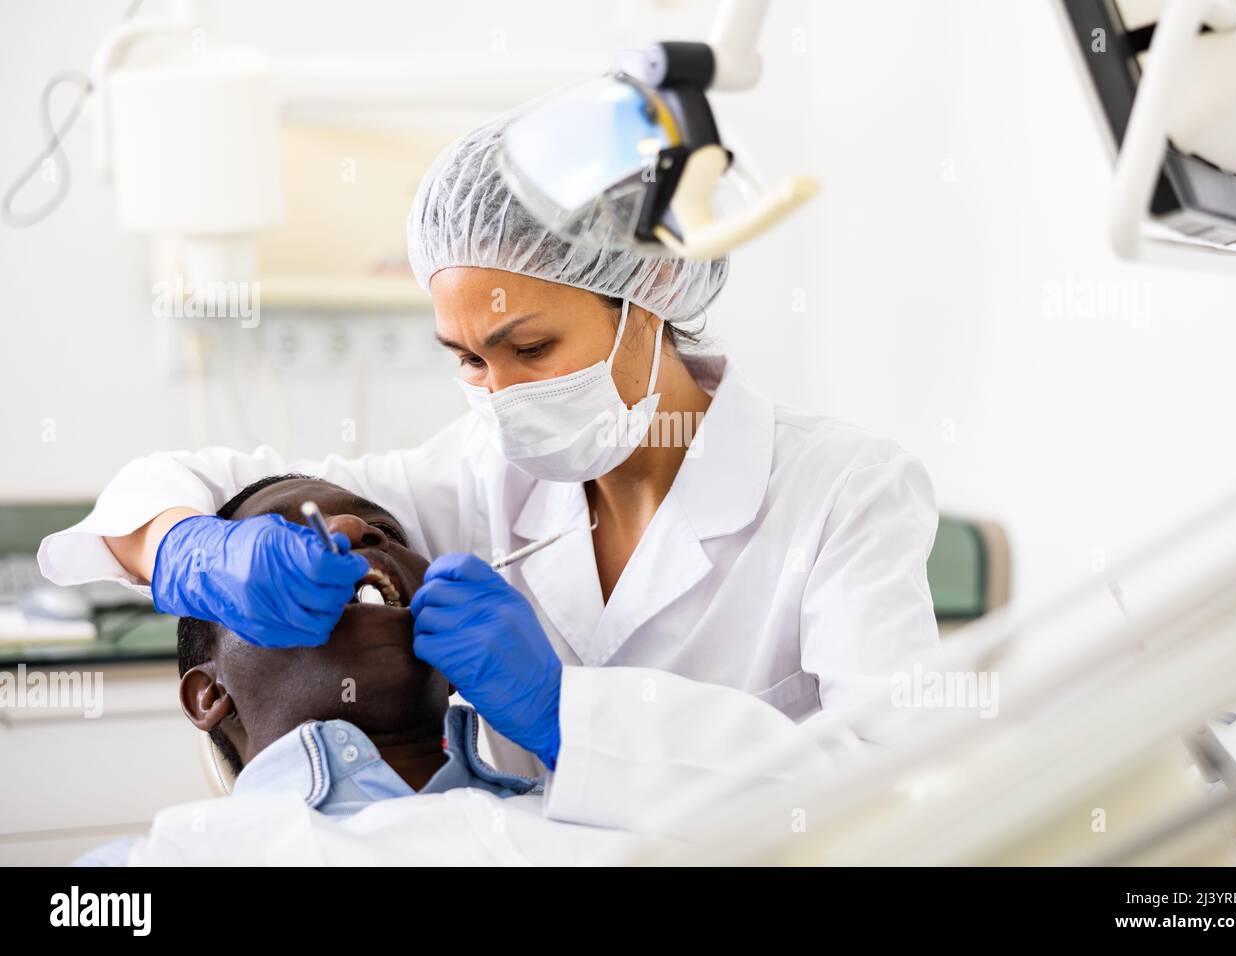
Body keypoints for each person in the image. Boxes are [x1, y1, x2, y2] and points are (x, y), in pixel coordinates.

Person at [40, 110, 941, 776]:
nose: (500, 397)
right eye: (468, 359)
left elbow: (906, 794)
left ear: (654, 287)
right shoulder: (482, 474)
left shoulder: (843, 492)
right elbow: (174, 481)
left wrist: (568, 715)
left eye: (530, 347)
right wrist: (191, 551)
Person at [75, 475, 864, 866]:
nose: (354, 530)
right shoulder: (162, 864)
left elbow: (860, 822)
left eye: (387, 531)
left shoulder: (616, 826)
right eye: (287, 538)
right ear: (207, 693)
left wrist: (564, 711)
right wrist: (180, 545)